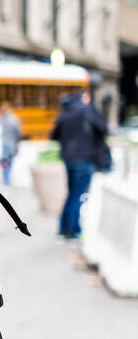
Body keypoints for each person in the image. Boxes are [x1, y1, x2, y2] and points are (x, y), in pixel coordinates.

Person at [50, 91, 108, 239]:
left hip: (68, 158)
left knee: (71, 193)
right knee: (78, 194)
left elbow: (54, 135)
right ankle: (73, 229)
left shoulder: (66, 112)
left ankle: (63, 228)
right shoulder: (86, 110)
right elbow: (103, 129)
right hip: (83, 157)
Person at [0, 105, 22, 185]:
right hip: (11, 144)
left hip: (2, 144)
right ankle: (6, 180)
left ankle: (6, 180)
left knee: (4, 163)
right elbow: (18, 133)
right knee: (9, 163)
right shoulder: (14, 119)